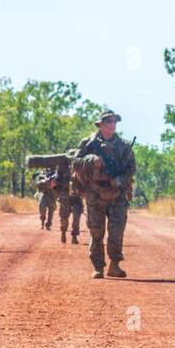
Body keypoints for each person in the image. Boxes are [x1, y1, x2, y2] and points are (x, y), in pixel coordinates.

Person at [75, 111, 135, 278]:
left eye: (114, 121)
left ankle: (115, 265)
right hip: (95, 192)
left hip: (117, 194)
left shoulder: (124, 145)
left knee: (117, 230)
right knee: (96, 231)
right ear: (100, 124)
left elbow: (131, 169)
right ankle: (98, 267)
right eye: (108, 121)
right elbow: (75, 162)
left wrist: (120, 179)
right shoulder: (89, 143)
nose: (112, 124)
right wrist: (91, 160)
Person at [52, 154, 84, 245]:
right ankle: (63, 231)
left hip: (77, 196)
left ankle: (74, 235)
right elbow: (57, 179)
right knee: (64, 217)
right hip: (65, 195)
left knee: (76, 216)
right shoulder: (62, 166)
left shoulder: (81, 165)